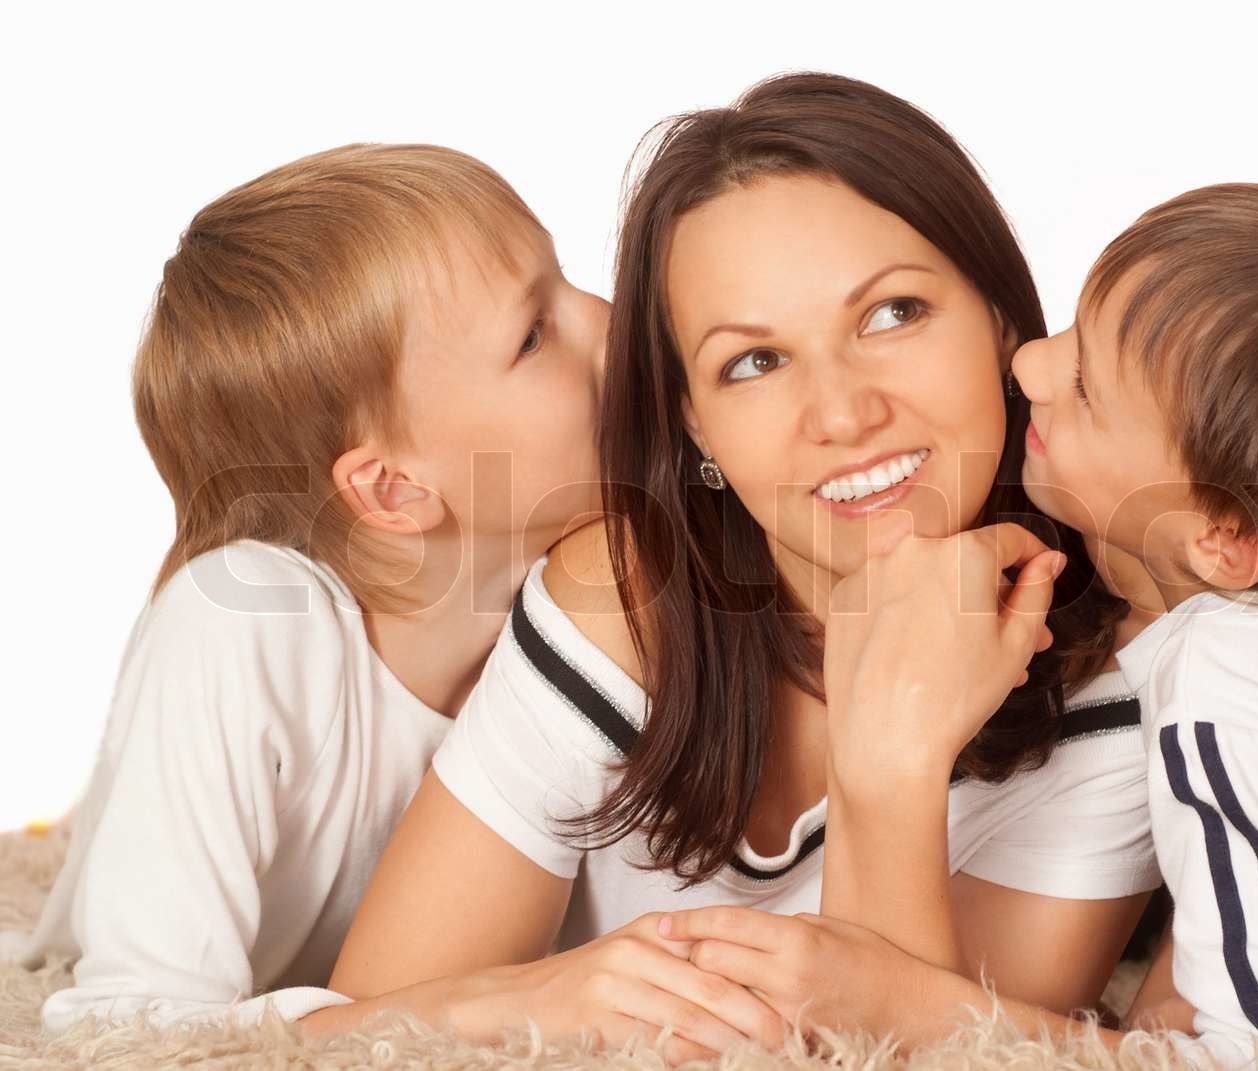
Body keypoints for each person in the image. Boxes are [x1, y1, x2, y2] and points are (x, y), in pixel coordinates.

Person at [322, 72, 1161, 1063]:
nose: (843, 414)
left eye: (892, 313)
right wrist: (534, 995)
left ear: (1000, 320)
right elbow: (345, 1034)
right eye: (754, 363)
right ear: (695, 424)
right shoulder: (622, 600)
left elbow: (932, 1053)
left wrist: (886, 768)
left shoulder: (1117, 675)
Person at [663, 183, 1258, 1069]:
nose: (1028, 363)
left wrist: (915, 1008)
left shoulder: (1227, 692)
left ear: (1221, 540)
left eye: (1084, 386)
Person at [1, 144, 611, 1033]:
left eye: (569, 280)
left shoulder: (582, 612)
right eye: (533, 333)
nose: (608, 317)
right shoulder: (237, 623)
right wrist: (466, 1006)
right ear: (393, 490)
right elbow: (126, 1024)